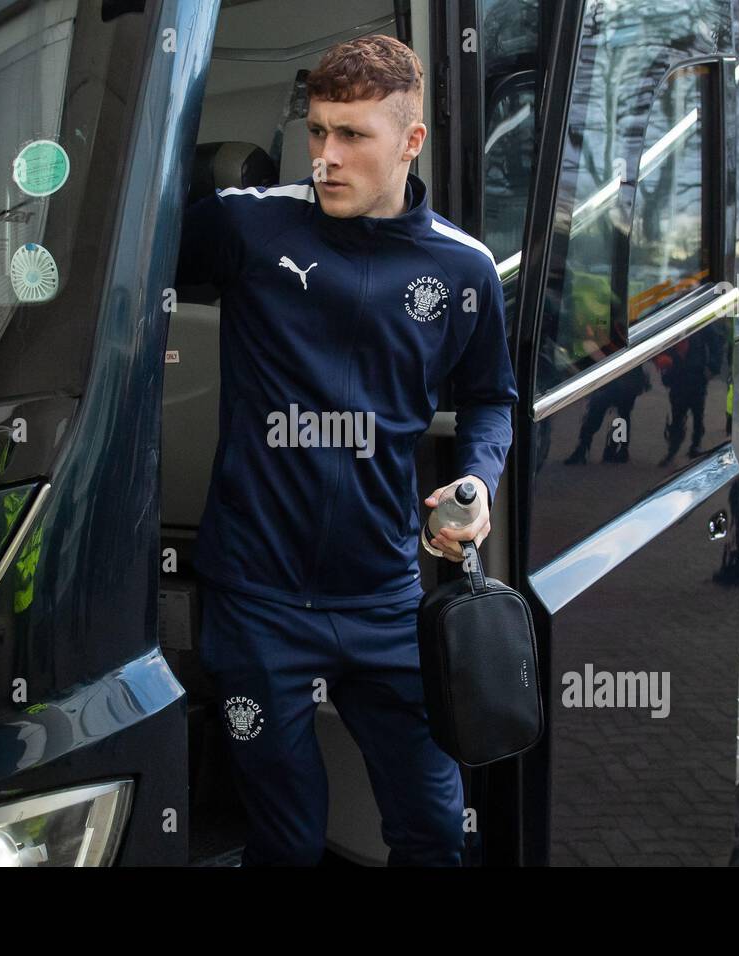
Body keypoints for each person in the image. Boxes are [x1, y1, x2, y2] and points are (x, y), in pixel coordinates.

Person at [177, 35, 518, 866]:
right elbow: (112, 266)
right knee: (287, 842)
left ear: (409, 141)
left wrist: (475, 480)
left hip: (386, 600)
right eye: (318, 131)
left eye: (353, 135)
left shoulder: (464, 268)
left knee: (435, 829)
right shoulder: (246, 226)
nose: (327, 157)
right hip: (257, 602)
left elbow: (490, 399)